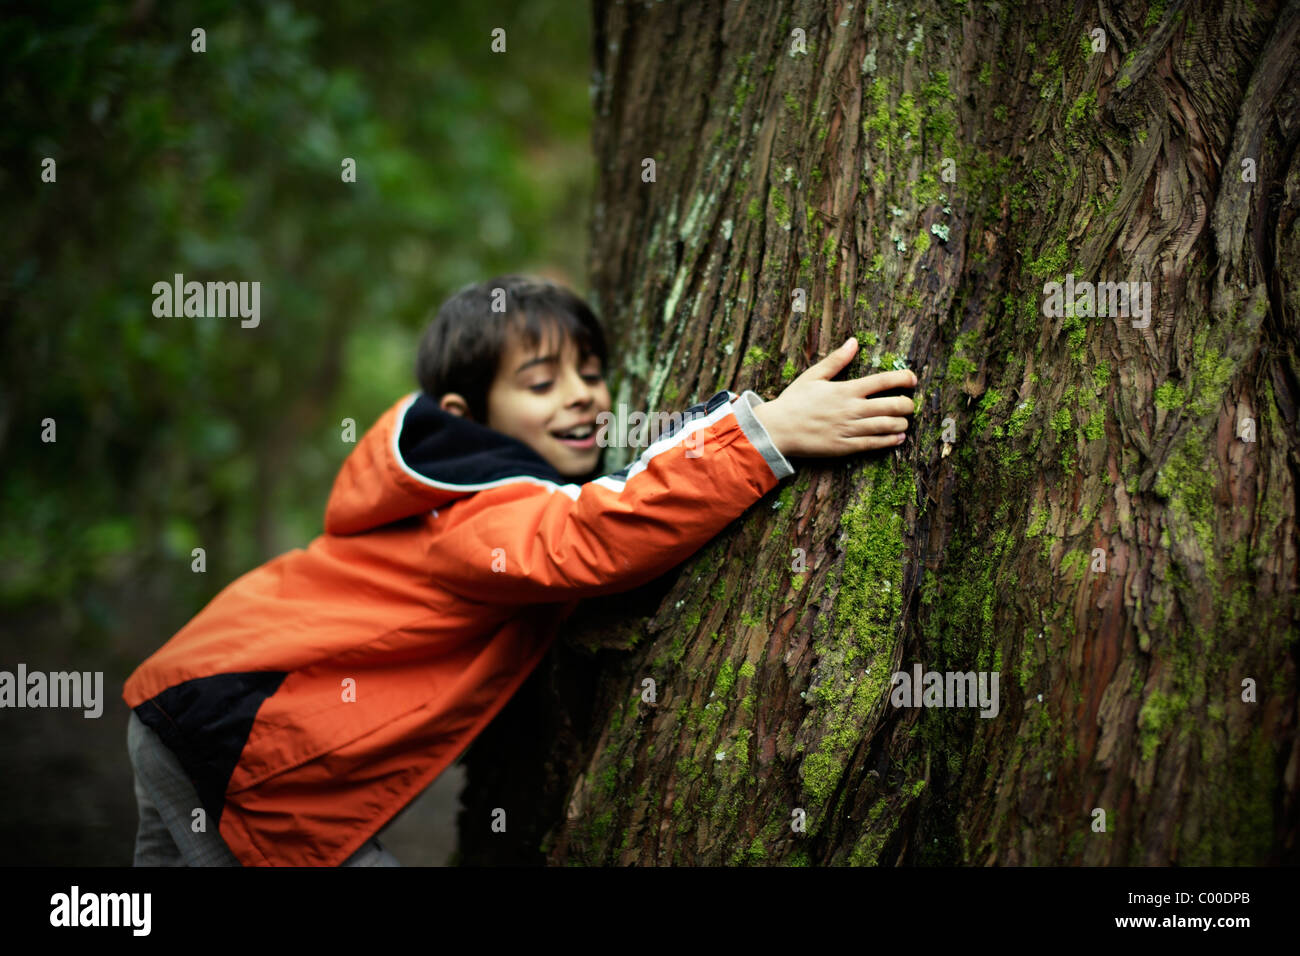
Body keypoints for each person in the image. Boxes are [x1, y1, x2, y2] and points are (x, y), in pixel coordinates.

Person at [123, 274, 917, 866]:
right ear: (469, 417)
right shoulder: (474, 506)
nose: (581, 399)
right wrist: (763, 433)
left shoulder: (470, 489)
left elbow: (605, 509)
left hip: (195, 706)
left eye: (591, 373)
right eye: (540, 383)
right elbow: (595, 536)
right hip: (238, 734)